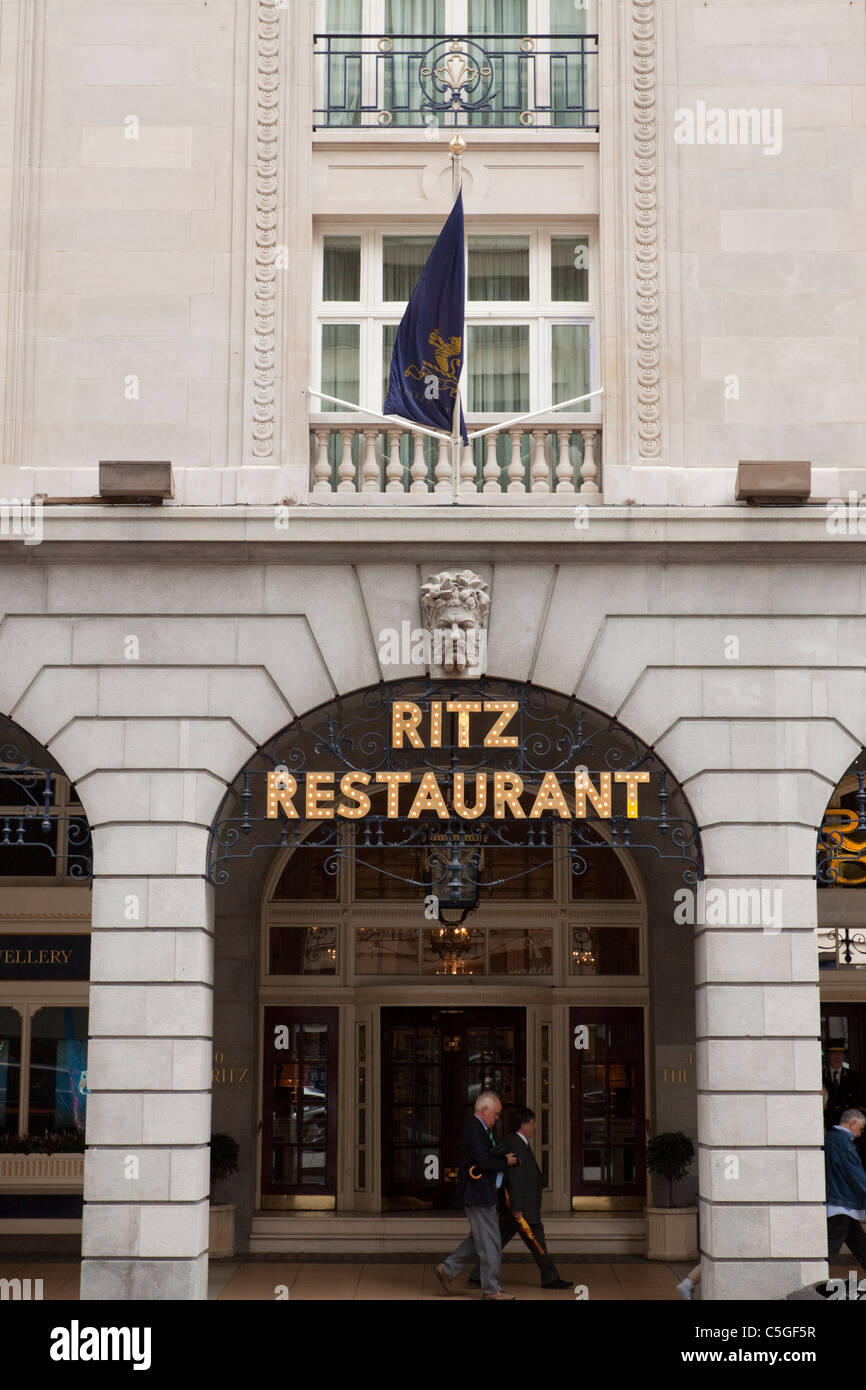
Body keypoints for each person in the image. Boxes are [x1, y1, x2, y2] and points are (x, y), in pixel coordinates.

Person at [467, 1107, 570, 1291]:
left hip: (518, 1207)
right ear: (524, 1124)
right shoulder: (515, 1144)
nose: (535, 1126)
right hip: (521, 1209)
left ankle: (476, 1277)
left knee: (498, 1242)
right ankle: (550, 1279)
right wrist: (517, 1207)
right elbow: (515, 1179)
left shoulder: (517, 1142)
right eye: (533, 1122)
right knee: (537, 1242)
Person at [434, 1090, 518, 1300]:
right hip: (479, 1194)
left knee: (479, 1239)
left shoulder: (479, 1129)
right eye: (496, 1114)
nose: (497, 1119)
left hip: (482, 1193)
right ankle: (491, 1289)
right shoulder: (475, 1129)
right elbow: (483, 1161)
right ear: (484, 1110)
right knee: (491, 1241)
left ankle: (447, 1269)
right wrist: (505, 1162)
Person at [825, 1107, 866, 1275]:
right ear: (853, 1123)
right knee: (829, 1250)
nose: (860, 1134)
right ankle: (812, 1278)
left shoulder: (828, 1139)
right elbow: (856, 1175)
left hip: (836, 1203)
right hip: (842, 1204)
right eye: (861, 1129)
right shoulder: (844, 1144)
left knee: (861, 1246)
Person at [823, 1042, 862, 1127]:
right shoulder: (821, 1075)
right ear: (828, 1056)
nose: (837, 1057)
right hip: (827, 1122)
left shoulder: (853, 1076)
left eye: (840, 1054)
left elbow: (858, 1100)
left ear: (843, 1056)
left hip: (847, 1122)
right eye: (833, 1054)